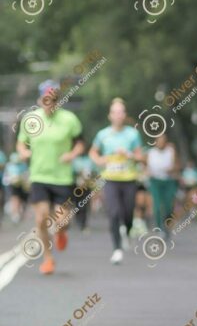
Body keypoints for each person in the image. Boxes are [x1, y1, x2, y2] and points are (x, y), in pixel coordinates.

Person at [15, 79, 84, 275]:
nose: (49, 104)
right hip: (39, 176)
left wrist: (72, 154)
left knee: (62, 221)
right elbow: (21, 143)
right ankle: (48, 259)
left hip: (62, 178)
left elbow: (80, 143)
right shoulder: (31, 119)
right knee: (41, 219)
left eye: (53, 100)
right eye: (46, 100)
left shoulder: (69, 119)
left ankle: (61, 232)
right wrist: (23, 152)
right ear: (40, 100)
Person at [89, 97, 145, 264]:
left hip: (129, 179)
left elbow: (140, 156)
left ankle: (127, 231)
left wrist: (129, 155)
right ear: (110, 115)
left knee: (128, 213)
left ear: (124, 115)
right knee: (113, 213)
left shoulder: (132, 134)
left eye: (121, 112)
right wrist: (99, 160)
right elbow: (93, 152)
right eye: (115, 112)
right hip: (111, 179)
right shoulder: (103, 134)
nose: (118, 115)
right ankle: (117, 249)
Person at [146, 130, 179, 235]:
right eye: (159, 140)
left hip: (168, 181)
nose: (161, 143)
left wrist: (171, 169)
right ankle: (159, 227)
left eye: (163, 140)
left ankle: (167, 224)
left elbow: (177, 166)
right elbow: (146, 167)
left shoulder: (171, 151)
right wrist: (147, 172)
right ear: (155, 142)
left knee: (168, 206)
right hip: (155, 181)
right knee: (157, 205)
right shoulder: (151, 152)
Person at [3, 151, 30, 224]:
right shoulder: (9, 166)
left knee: (21, 199)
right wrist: (11, 180)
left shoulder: (23, 165)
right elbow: (6, 177)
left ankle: (20, 212)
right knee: (14, 198)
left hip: (21, 185)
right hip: (12, 185)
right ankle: (15, 214)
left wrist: (23, 180)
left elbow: (26, 175)